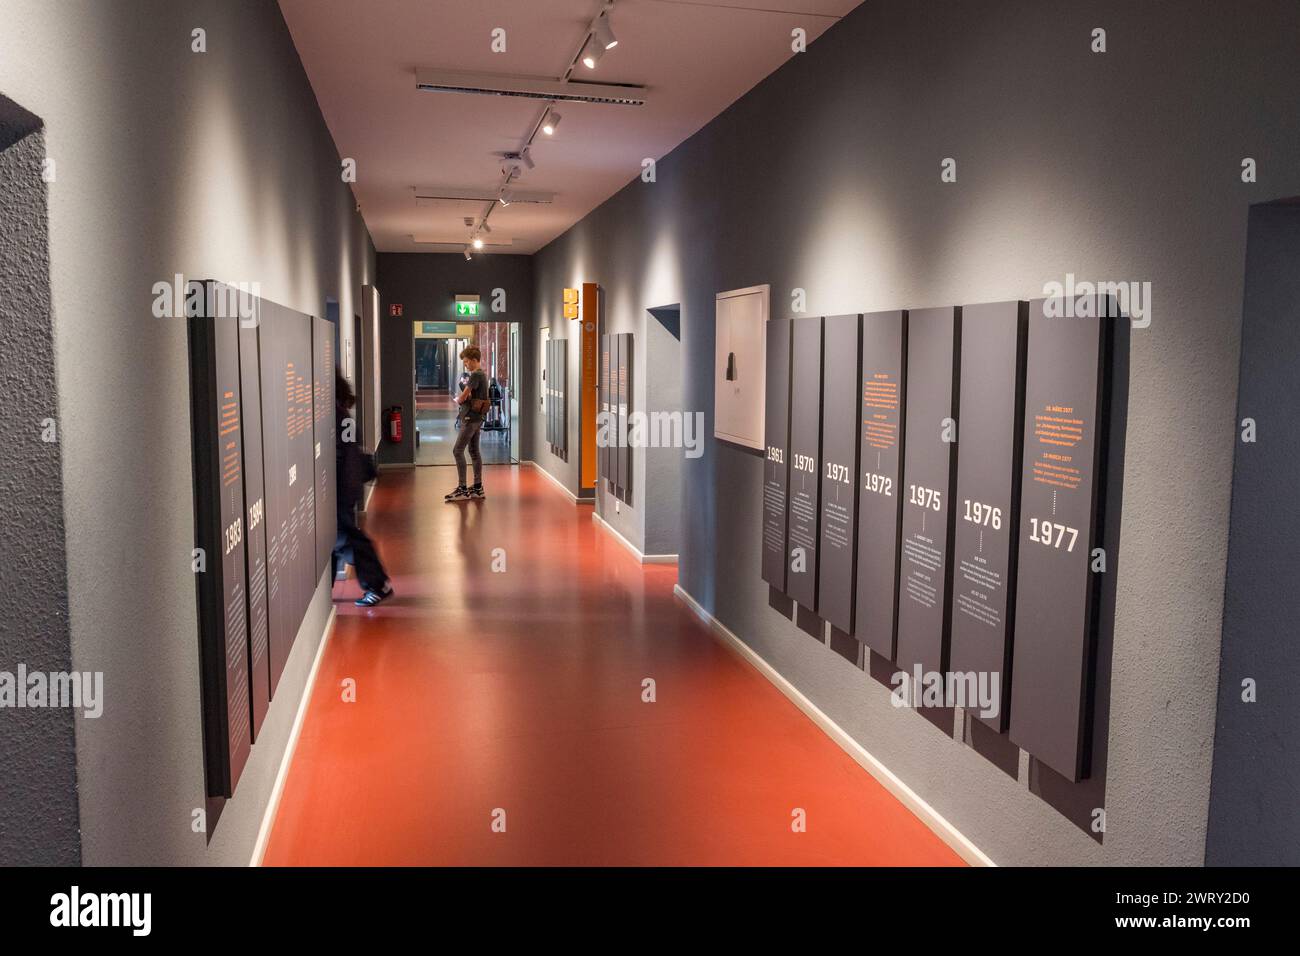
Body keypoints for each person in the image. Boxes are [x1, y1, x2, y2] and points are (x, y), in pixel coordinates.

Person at [333, 370, 393, 606]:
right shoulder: (341, 412)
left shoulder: (337, 414)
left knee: (344, 538)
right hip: (346, 485)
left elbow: (344, 454)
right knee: (337, 538)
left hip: (342, 487)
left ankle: (377, 585)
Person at [446, 346, 488, 502]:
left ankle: (462, 489)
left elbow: (464, 396)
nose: (465, 365)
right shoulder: (482, 374)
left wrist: (459, 398)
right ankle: (478, 487)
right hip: (478, 418)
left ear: (473, 360)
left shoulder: (475, 375)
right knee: (474, 451)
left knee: (457, 450)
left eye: (466, 362)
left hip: (470, 418)